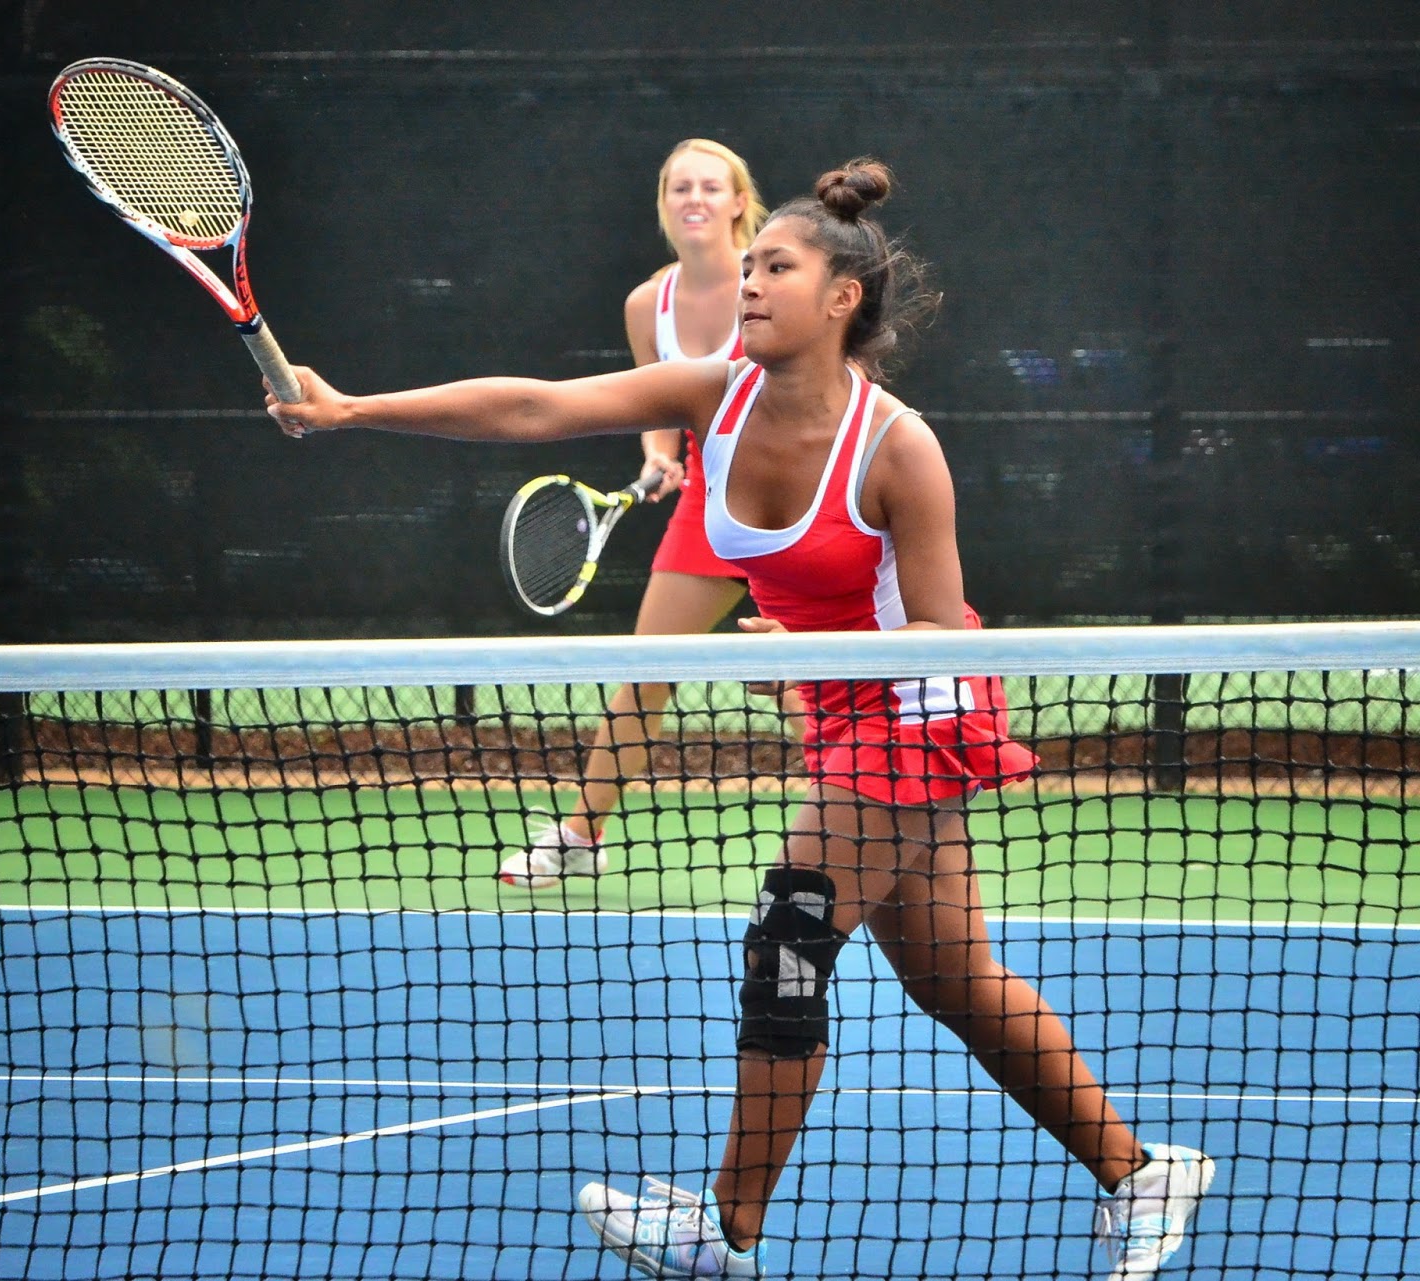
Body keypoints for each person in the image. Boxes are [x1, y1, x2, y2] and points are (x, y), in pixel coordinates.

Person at [265, 158, 1215, 1280]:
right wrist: (351, 408)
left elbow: (940, 634)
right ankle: (1139, 1174)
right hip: (841, 703)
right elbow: (538, 405)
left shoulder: (897, 447)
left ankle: (725, 1231)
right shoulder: (712, 392)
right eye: (751, 266)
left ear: (841, 298)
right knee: (954, 980)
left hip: (919, 700)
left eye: (778, 267)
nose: (752, 282)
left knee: (788, 940)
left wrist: (812, 656)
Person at [496, 137, 784, 891]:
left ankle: (883, 806)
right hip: (710, 505)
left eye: (710, 186)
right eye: (679, 187)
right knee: (645, 672)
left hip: (805, 500)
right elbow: (657, 403)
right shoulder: (645, 305)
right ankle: (580, 836)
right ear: (664, 204)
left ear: (738, 201)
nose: (694, 199)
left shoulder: (775, 283)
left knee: (823, 671)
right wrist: (660, 454)